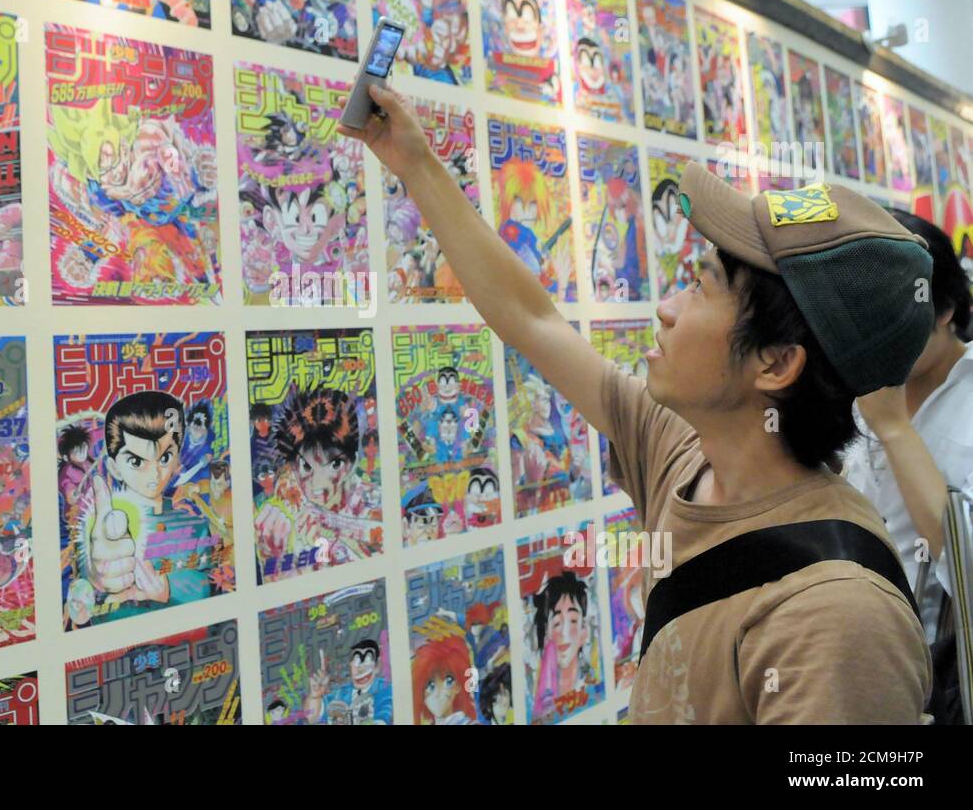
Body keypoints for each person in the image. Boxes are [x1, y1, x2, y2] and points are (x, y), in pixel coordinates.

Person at [340, 80, 934, 723]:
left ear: (777, 363)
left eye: (704, 289)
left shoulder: (836, 616)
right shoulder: (685, 455)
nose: (667, 308)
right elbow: (531, 320)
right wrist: (415, 163)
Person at [841, 209, 973, 642]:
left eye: (890, 313)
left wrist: (895, 429)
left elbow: (966, 574)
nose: (875, 335)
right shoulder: (856, 383)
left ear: (945, 309)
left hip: (936, 673)